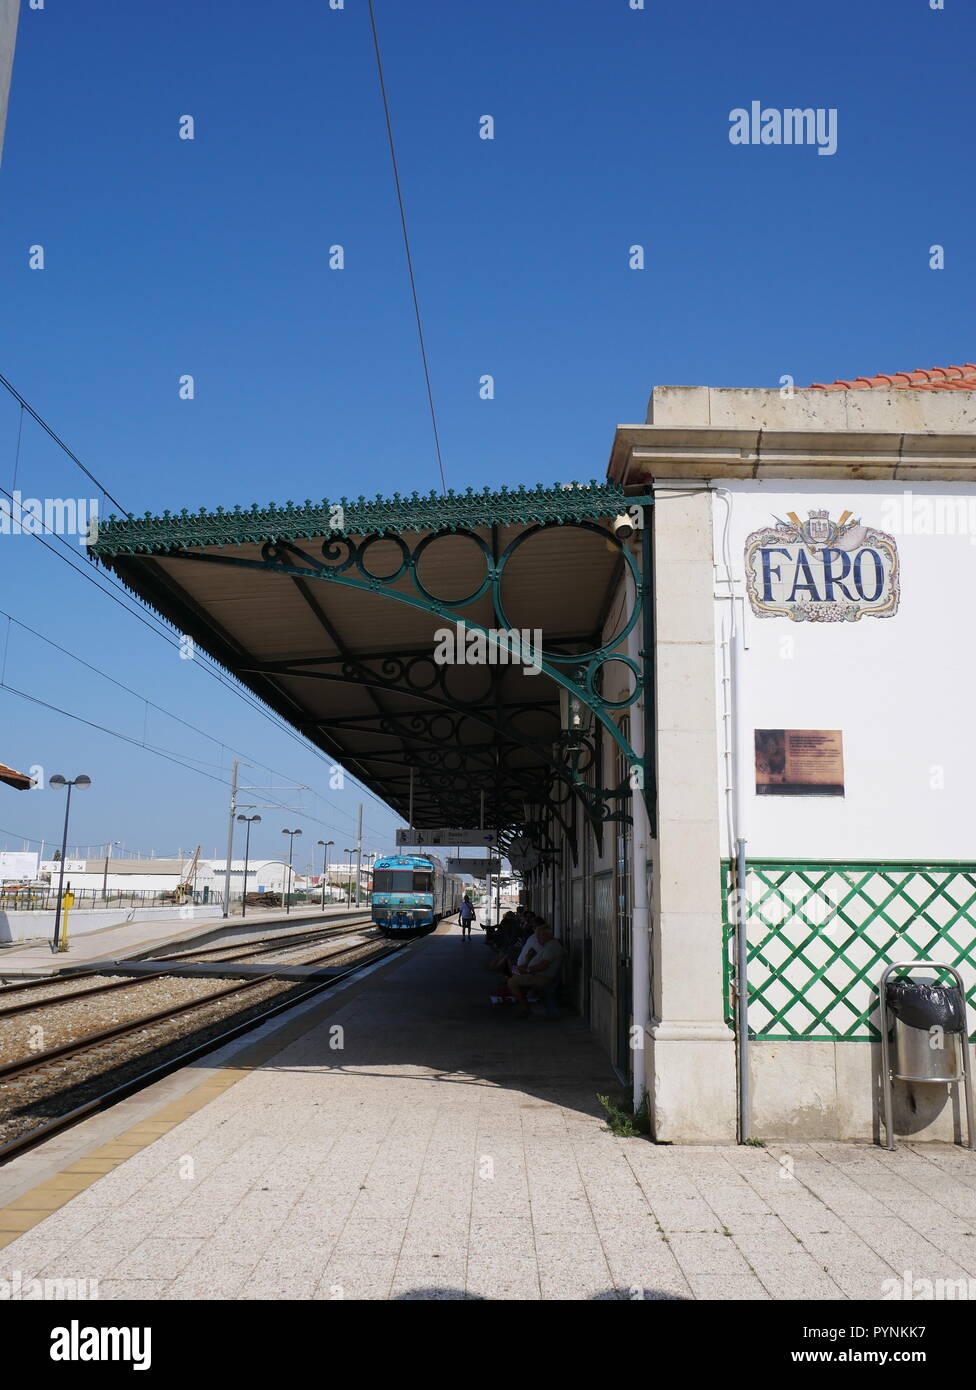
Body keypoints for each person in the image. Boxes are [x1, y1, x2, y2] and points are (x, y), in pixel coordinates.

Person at [507, 921, 563, 1018]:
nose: (537, 939)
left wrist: (527, 970)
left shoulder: (552, 946)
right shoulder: (548, 945)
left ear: (546, 936)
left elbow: (543, 965)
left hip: (542, 976)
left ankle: (526, 1009)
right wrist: (527, 963)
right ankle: (526, 998)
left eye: (538, 937)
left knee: (511, 982)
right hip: (535, 972)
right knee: (513, 971)